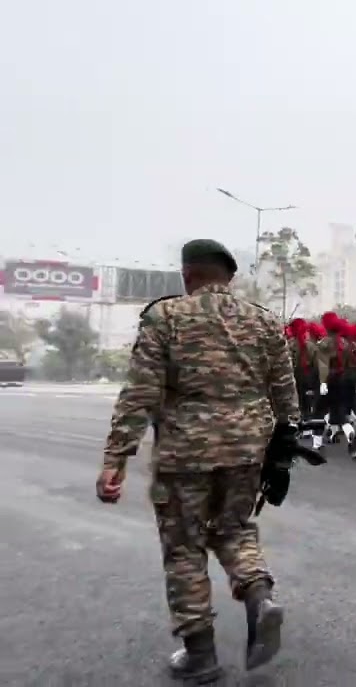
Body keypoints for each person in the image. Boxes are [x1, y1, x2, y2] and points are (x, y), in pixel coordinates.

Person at [96, 239, 300, 682]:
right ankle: (259, 597)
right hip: (247, 449)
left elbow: (140, 393)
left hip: (185, 452)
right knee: (234, 529)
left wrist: (116, 457)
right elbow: (287, 395)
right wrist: (282, 454)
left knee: (185, 547)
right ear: (231, 278)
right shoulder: (264, 321)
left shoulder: (165, 317)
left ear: (188, 274)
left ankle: (201, 654)